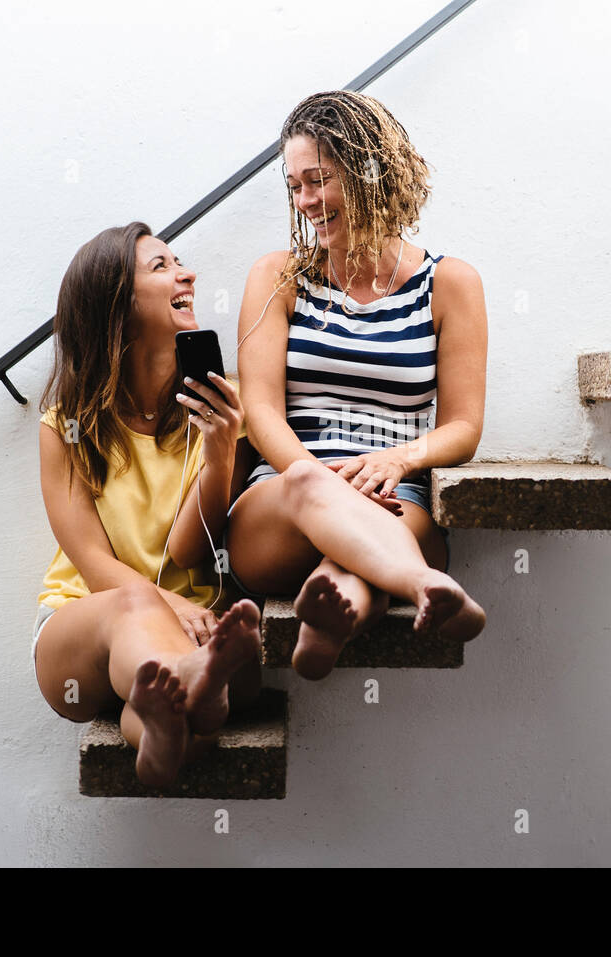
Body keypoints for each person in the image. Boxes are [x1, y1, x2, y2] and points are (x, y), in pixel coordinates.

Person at [223, 90, 488, 681]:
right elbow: (260, 410)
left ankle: (330, 617)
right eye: (295, 186)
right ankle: (425, 584)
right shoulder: (278, 276)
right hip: (284, 500)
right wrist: (319, 480)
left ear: (369, 172)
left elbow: (464, 427)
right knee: (316, 498)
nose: (306, 202)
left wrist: (400, 458)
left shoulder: (450, 284)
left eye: (318, 180)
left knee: (350, 568)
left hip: (394, 496)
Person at [32, 221, 262, 789]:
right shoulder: (68, 423)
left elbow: (195, 549)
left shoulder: (222, 409)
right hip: (83, 631)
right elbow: (90, 560)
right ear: (117, 305)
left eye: (178, 261)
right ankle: (190, 679)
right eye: (161, 267)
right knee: (136, 604)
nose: (186, 273)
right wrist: (166, 607)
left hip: (190, 635)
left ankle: (160, 737)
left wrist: (218, 454)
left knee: (179, 709)